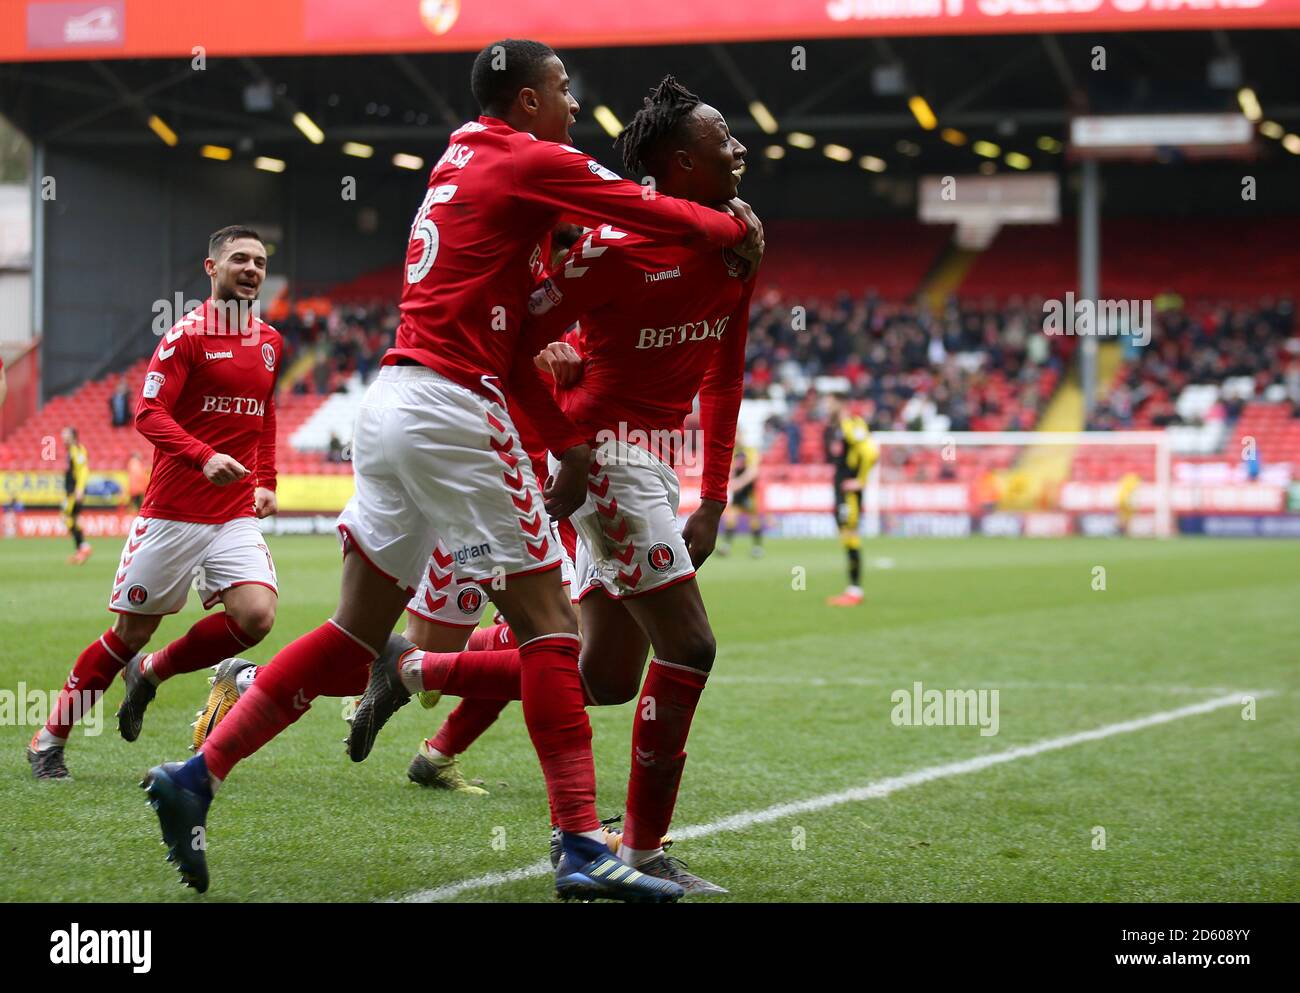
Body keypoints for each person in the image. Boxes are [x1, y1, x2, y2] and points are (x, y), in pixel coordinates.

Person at [142, 39, 760, 901]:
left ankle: (196, 772)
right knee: (550, 628)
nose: (576, 107)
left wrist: (573, 422)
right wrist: (734, 226)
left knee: (356, 634)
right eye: (564, 90)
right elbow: (638, 212)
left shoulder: (457, 156)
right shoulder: (530, 158)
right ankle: (584, 845)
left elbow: (530, 300)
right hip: (455, 404)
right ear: (530, 100)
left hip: (392, 398)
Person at [344, 75, 762, 895]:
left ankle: (417, 669)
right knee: (692, 646)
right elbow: (517, 336)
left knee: (605, 675)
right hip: (604, 456)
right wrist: (560, 416)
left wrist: (714, 497)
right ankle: (638, 852)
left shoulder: (738, 246)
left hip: (657, 460)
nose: (742, 148)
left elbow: (726, 370)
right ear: (682, 164)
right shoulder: (613, 249)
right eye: (725, 140)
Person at [26, 226, 282, 780]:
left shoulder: (270, 341)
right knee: (127, 635)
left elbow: (266, 414)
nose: (251, 269)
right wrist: (201, 455)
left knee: (256, 616)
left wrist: (268, 479)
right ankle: (48, 739)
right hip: (172, 513)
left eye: (259, 262)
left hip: (233, 512)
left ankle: (154, 672)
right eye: (239, 259)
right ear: (211, 269)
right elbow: (148, 414)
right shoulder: (185, 336)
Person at [823, 394, 876, 607]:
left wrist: (861, 481)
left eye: (830, 403)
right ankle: (852, 589)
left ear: (841, 403)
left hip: (849, 492)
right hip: (841, 490)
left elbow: (871, 452)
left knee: (851, 535)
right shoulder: (838, 427)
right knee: (846, 535)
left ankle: (855, 591)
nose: (826, 407)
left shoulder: (852, 425)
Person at [718, 443, 763, 557]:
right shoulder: (734, 463)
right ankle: (726, 547)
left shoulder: (749, 462)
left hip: (749, 497)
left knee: (754, 522)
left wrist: (738, 482)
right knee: (730, 520)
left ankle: (757, 548)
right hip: (738, 499)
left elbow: (751, 474)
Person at [61, 426, 92, 564]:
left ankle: (83, 548)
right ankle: (81, 549)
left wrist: (79, 489)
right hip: (70, 491)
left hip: (74, 492)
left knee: (68, 517)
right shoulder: (71, 450)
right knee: (70, 518)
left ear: (72, 436)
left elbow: (83, 470)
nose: (63, 436)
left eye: (65, 433)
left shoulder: (77, 450)